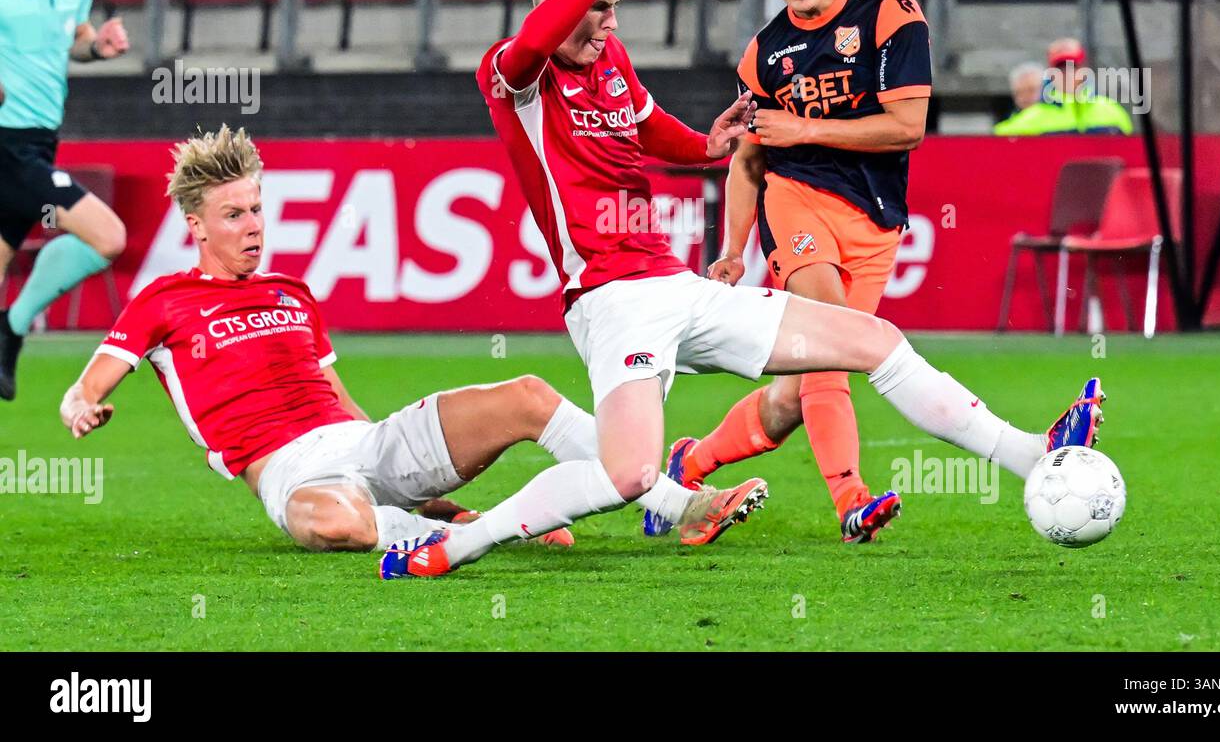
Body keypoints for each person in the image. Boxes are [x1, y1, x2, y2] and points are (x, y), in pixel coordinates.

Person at [385, 0, 1107, 580]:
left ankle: (1032, 454)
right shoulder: (514, 74)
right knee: (631, 471)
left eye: (614, 9)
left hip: (675, 285)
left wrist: (705, 144)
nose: (609, 24)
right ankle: (455, 546)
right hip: (611, 299)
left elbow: (644, 126)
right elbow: (542, 34)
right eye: (596, 11)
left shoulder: (609, 58)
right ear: (553, 5)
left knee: (876, 342)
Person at [58, 126, 752, 569]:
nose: (252, 226)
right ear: (196, 225)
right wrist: (82, 407)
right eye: (234, 214)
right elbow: (87, 386)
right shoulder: (160, 302)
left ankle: (674, 503)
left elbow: (335, 395)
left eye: (257, 209)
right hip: (294, 476)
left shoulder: (292, 292)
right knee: (332, 519)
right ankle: (467, 528)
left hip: (362, 441)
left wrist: (387, 454)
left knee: (528, 395)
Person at [647, 0, 928, 543]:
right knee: (831, 339)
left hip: (875, 217)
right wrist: (733, 249)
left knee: (786, 402)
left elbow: (907, 128)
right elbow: (748, 156)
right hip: (795, 199)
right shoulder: (764, 54)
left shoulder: (890, 14)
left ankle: (690, 463)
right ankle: (851, 499)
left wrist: (801, 126)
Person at [0, 0, 130, 401]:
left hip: (40, 138)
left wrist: (95, 47)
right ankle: (12, 328)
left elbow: (74, 38)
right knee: (109, 237)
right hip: (5, 141)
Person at [993, 39, 1132, 136]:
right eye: (1061, 67)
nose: (1068, 72)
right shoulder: (1033, 116)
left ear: (1084, 69)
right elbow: (996, 143)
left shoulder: (1112, 111)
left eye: (1073, 65)